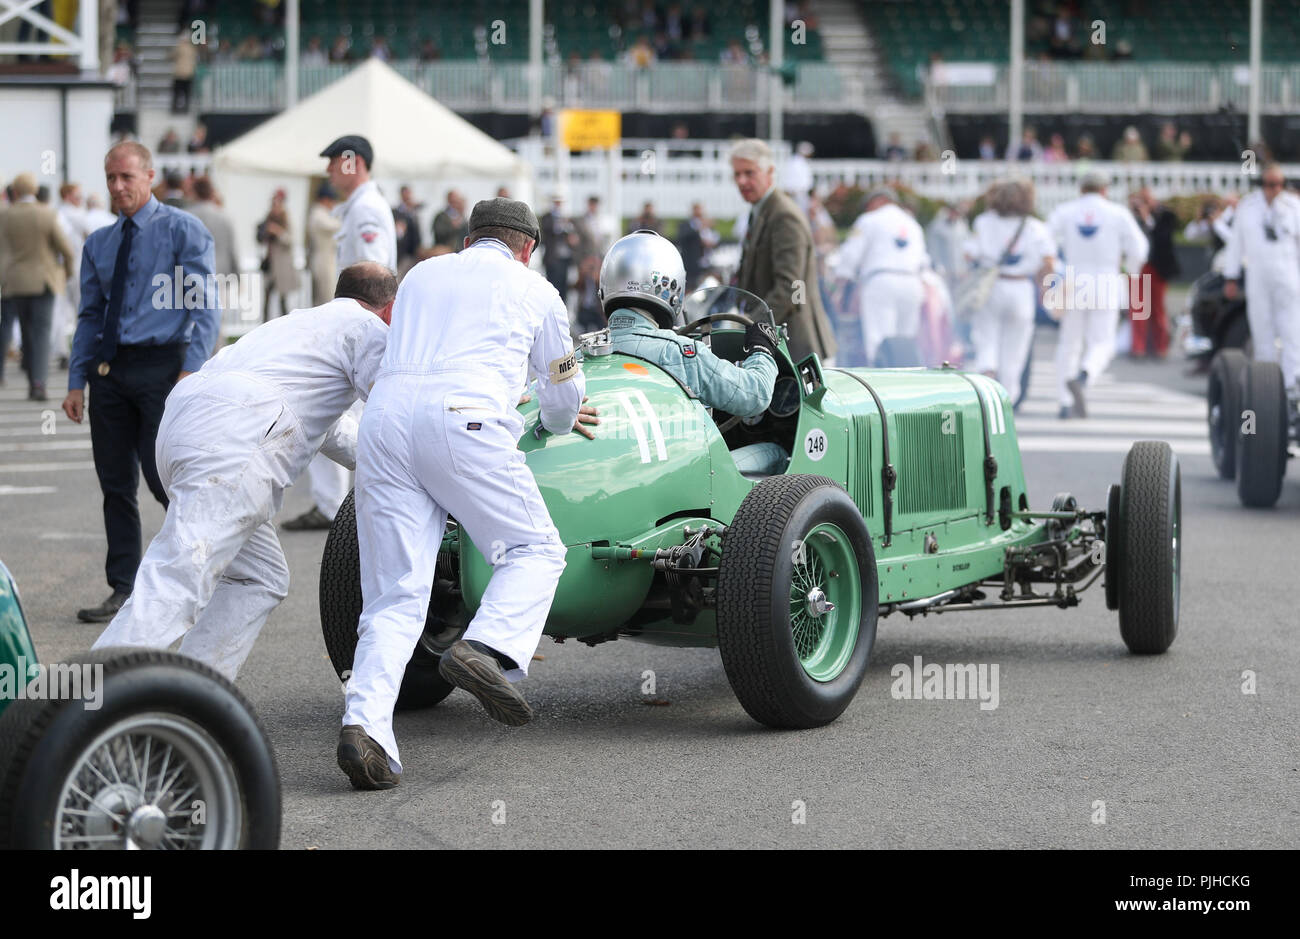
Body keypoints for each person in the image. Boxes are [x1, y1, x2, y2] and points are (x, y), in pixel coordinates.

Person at [338, 199, 595, 790]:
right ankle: (488, 646)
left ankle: (365, 729)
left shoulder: (423, 273)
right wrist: (550, 420)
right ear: (527, 247)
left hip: (385, 420)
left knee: (394, 597)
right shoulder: (537, 290)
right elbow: (563, 395)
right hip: (465, 420)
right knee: (534, 550)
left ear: (469, 238)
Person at [90, 263, 395, 678]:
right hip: (235, 439)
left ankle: (192, 694)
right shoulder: (369, 329)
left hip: (183, 424)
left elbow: (333, 430)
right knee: (178, 576)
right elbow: (391, 413)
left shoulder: (299, 324)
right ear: (389, 309)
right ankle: (78, 706)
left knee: (260, 577)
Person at [62, 141, 219, 622]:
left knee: (162, 479)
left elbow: (205, 306)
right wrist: (75, 381)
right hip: (109, 371)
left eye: (127, 177)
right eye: (110, 178)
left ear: (149, 177)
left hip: (162, 369)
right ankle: (125, 587)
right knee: (115, 484)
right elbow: (89, 315)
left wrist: (190, 371)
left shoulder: (182, 229)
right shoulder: (99, 242)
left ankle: (202, 574)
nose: (117, 187)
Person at [284, 134, 397, 531]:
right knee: (340, 411)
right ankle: (337, 503)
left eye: (336, 161)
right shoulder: (359, 207)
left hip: (359, 323)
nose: (330, 169)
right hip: (357, 322)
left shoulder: (366, 208)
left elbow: (374, 272)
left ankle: (343, 504)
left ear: (354, 162)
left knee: (339, 412)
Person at [603, 231, 782, 474]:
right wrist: (761, 349)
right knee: (777, 452)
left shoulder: (584, 354)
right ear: (670, 285)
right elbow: (756, 395)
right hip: (681, 475)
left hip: (616, 474)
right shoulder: (680, 353)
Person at [1047, 170, 1148, 418]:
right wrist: (1132, 272)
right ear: (1104, 189)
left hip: (1073, 280)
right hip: (1106, 281)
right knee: (1102, 342)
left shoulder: (1065, 211)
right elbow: (1139, 249)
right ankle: (1085, 376)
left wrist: (1058, 268)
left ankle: (1064, 401)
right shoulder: (1118, 213)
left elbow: (1044, 239)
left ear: (1081, 189)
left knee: (1069, 343)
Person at [731, 138, 837, 364]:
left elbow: (790, 289)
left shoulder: (783, 216)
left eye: (749, 173)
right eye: (737, 174)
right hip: (779, 344)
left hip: (796, 349)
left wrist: (749, 326)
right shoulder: (761, 211)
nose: (741, 181)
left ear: (770, 172)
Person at [965, 180, 1057, 395]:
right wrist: (1045, 289)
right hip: (1021, 287)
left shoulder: (984, 222)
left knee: (986, 339)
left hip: (992, 286)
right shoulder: (1035, 226)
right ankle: (1008, 397)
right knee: (1015, 351)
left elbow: (969, 253)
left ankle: (987, 382)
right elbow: (1049, 261)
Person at [1221, 164, 1300, 394]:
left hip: (1287, 276)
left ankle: (1291, 383)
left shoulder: (1294, 206)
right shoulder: (1248, 207)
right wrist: (1231, 277)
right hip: (1258, 276)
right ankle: (1267, 385)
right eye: (1269, 184)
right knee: (1261, 330)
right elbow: (1236, 244)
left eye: (1279, 185)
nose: (1274, 189)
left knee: (1292, 331)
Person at [832, 188, 929, 366]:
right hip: (912, 282)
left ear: (877, 201)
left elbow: (850, 255)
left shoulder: (869, 220)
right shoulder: (913, 224)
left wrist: (840, 287)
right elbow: (924, 262)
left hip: (881, 281)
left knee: (878, 340)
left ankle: (880, 387)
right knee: (905, 341)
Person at [0, 172, 75, 400]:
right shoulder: (47, 214)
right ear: (34, 190)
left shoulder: (5, 215)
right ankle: (38, 383)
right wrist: (66, 273)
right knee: (41, 332)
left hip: (14, 282)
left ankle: (30, 374)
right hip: (44, 280)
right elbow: (66, 249)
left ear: (15, 191)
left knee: (25, 330)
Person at [1129, 187, 1179, 359]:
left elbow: (1163, 238)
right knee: (1138, 309)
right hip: (1137, 267)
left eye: (1146, 200)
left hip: (1157, 267)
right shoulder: (1131, 218)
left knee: (1157, 309)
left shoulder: (1165, 216)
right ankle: (1138, 348)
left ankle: (1160, 347)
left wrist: (1147, 218)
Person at [188, 177, 239, 323]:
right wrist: (239, 277)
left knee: (193, 326)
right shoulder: (224, 217)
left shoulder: (186, 217)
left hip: (192, 277)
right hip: (220, 276)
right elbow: (232, 250)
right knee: (217, 325)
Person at [257, 189, 299, 321]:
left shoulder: (286, 218)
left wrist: (277, 232)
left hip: (282, 266)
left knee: (283, 301)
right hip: (270, 265)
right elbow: (260, 239)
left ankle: (284, 327)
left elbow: (290, 240)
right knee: (267, 300)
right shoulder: (268, 217)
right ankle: (264, 327)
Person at [307, 183, 341, 303]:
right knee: (326, 298)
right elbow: (336, 225)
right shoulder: (318, 214)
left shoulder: (322, 213)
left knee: (326, 296)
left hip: (326, 258)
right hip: (323, 260)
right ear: (325, 200)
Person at [539, 194, 576, 299]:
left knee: (564, 286)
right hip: (553, 258)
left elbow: (572, 235)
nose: (558, 205)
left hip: (565, 258)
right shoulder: (547, 217)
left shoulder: (567, 219)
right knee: (552, 285)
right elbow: (549, 231)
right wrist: (561, 224)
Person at [675, 201, 718, 290]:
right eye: (696, 209)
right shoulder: (685, 225)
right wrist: (699, 228)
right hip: (690, 264)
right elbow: (683, 237)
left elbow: (713, 240)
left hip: (705, 263)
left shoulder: (707, 226)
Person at [392, 184, 423, 273]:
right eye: (406, 193)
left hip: (414, 252)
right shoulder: (396, 212)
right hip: (402, 253)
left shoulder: (414, 211)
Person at [171, 30, 197, 113]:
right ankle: (186, 109)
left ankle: (175, 108)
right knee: (186, 93)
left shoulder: (180, 47)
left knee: (177, 93)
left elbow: (172, 56)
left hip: (180, 73)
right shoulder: (192, 48)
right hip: (189, 73)